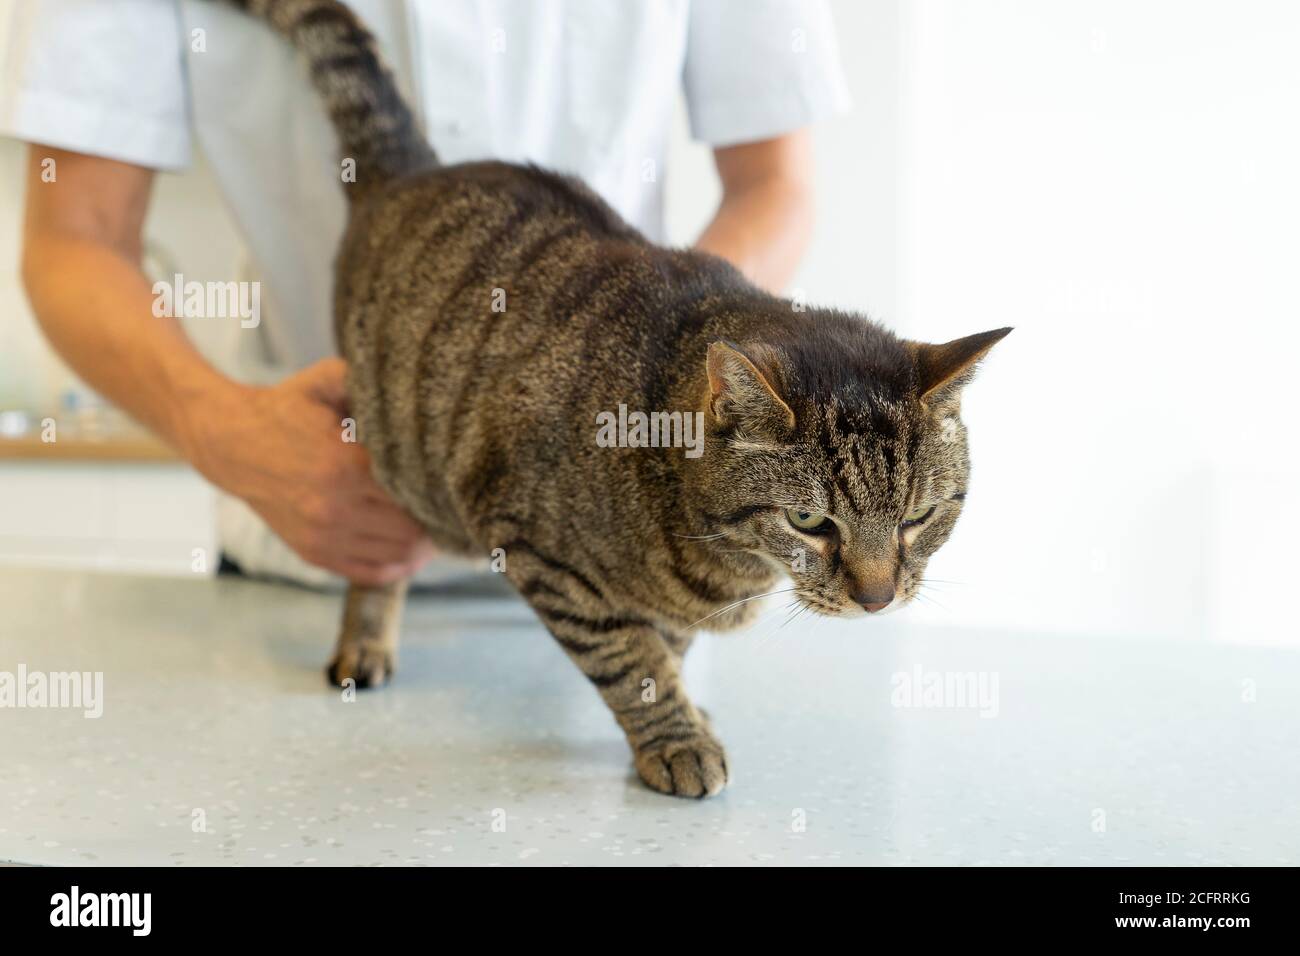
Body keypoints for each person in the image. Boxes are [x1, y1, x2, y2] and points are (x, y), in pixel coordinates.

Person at [2, 0, 850, 587]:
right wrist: (227, 431)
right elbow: (74, 240)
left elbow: (777, 185)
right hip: (312, 552)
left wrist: (666, 392)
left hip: (631, 559)